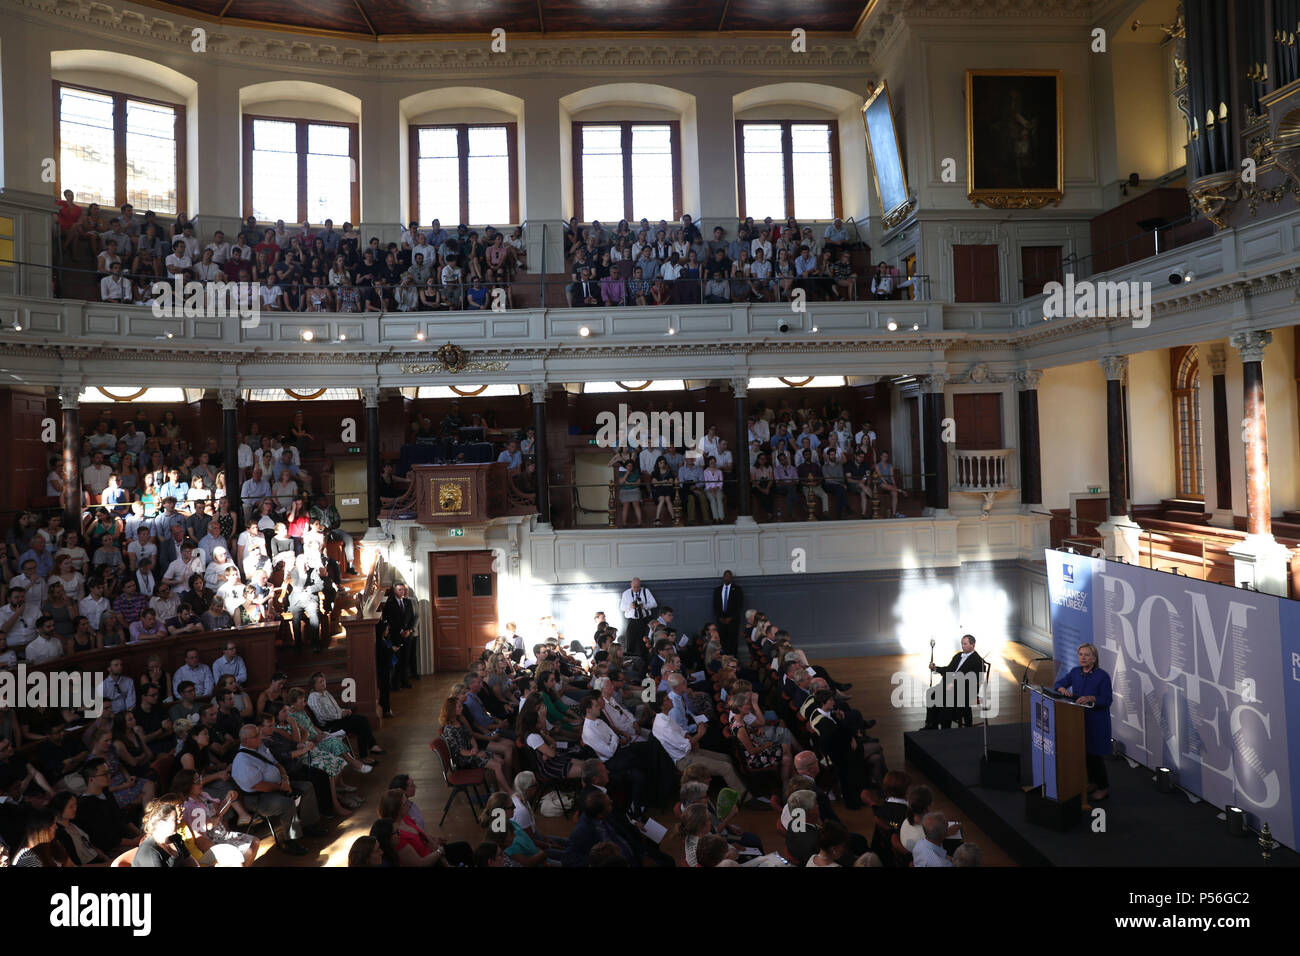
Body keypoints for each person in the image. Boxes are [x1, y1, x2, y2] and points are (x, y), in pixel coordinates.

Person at [230, 723, 312, 855]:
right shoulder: (242, 761)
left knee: (307, 787)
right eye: (256, 736)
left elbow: (276, 763)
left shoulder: (260, 747)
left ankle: (309, 825)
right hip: (259, 798)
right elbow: (260, 786)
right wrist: (282, 787)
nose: (260, 737)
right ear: (246, 741)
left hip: (279, 785)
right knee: (287, 803)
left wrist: (285, 779)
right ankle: (290, 841)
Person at [1055, 642, 1113, 801]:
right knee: (1084, 754)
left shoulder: (1103, 676)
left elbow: (1107, 700)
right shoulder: (1075, 672)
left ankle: (1104, 787)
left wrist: (1092, 698)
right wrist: (1062, 690)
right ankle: (1093, 782)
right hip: (1078, 720)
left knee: (1095, 756)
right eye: (1080, 654)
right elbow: (1058, 684)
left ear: (1094, 658)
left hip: (1097, 722)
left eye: (1087, 655)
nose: (1083, 658)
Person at [924, 633, 986, 730]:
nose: (963, 646)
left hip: (966, 690)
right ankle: (931, 724)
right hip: (950, 686)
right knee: (931, 692)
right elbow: (949, 669)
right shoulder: (958, 656)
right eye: (962, 644)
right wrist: (936, 669)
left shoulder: (978, 661)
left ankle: (945, 727)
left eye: (965, 644)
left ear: (973, 645)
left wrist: (954, 685)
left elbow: (974, 680)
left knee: (945, 696)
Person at [619, 577, 657, 653]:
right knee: (631, 642)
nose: (636, 589)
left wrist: (644, 606)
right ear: (631, 585)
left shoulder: (646, 591)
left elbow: (654, 604)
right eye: (634, 587)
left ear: (640, 585)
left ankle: (645, 659)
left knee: (646, 642)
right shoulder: (626, 593)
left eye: (638, 587)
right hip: (632, 621)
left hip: (645, 620)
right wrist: (630, 606)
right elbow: (622, 608)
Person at [712, 570, 744, 657]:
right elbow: (715, 605)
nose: (727, 577)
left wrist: (731, 618)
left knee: (733, 641)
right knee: (722, 641)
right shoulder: (717, 590)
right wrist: (720, 617)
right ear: (723, 577)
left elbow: (739, 606)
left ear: (732, 578)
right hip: (721, 621)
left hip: (733, 621)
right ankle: (723, 659)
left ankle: (733, 660)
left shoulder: (737, 589)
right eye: (725, 576)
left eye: (729, 576)